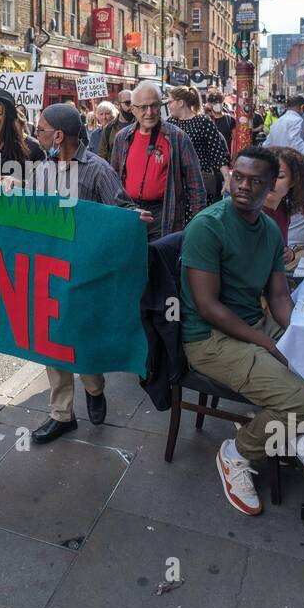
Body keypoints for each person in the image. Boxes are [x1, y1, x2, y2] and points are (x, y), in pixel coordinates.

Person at [181, 146, 304, 516]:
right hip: (209, 339)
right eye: (237, 177)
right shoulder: (208, 226)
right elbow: (208, 308)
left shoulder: (270, 229)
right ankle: (237, 452)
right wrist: (266, 342)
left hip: (252, 324)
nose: (242, 185)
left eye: (254, 180)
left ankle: (285, 438)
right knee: (302, 404)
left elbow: (278, 296)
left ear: (271, 184)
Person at [28, 103, 152, 443]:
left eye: (40, 129)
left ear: (58, 135)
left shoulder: (97, 170)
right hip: (49, 271)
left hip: (83, 274)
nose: (35, 135)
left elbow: (121, 209)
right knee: (50, 342)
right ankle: (61, 414)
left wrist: (132, 217)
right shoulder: (42, 169)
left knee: (78, 339)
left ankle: (94, 389)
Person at [109, 80, 208, 241]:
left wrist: (197, 227)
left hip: (164, 214)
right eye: (143, 107)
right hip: (129, 212)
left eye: (154, 105)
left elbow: (195, 186)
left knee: (159, 262)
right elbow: (113, 180)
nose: (150, 112)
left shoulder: (177, 137)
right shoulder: (122, 138)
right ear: (133, 109)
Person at [167, 86, 230, 204]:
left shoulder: (203, 122)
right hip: (176, 182)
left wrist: (227, 179)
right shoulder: (170, 123)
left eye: (170, 102)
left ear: (180, 103)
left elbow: (217, 153)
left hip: (200, 181)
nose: (168, 105)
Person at [262, 147, 304, 264]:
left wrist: (289, 254)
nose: (271, 182)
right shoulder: (251, 212)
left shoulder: (283, 209)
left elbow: (281, 250)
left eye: (280, 177)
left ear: (293, 181)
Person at [97, 90, 136, 161]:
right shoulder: (109, 129)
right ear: (118, 105)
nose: (131, 107)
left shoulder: (141, 126)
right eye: (128, 103)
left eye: (134, 103)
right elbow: (102, 158)